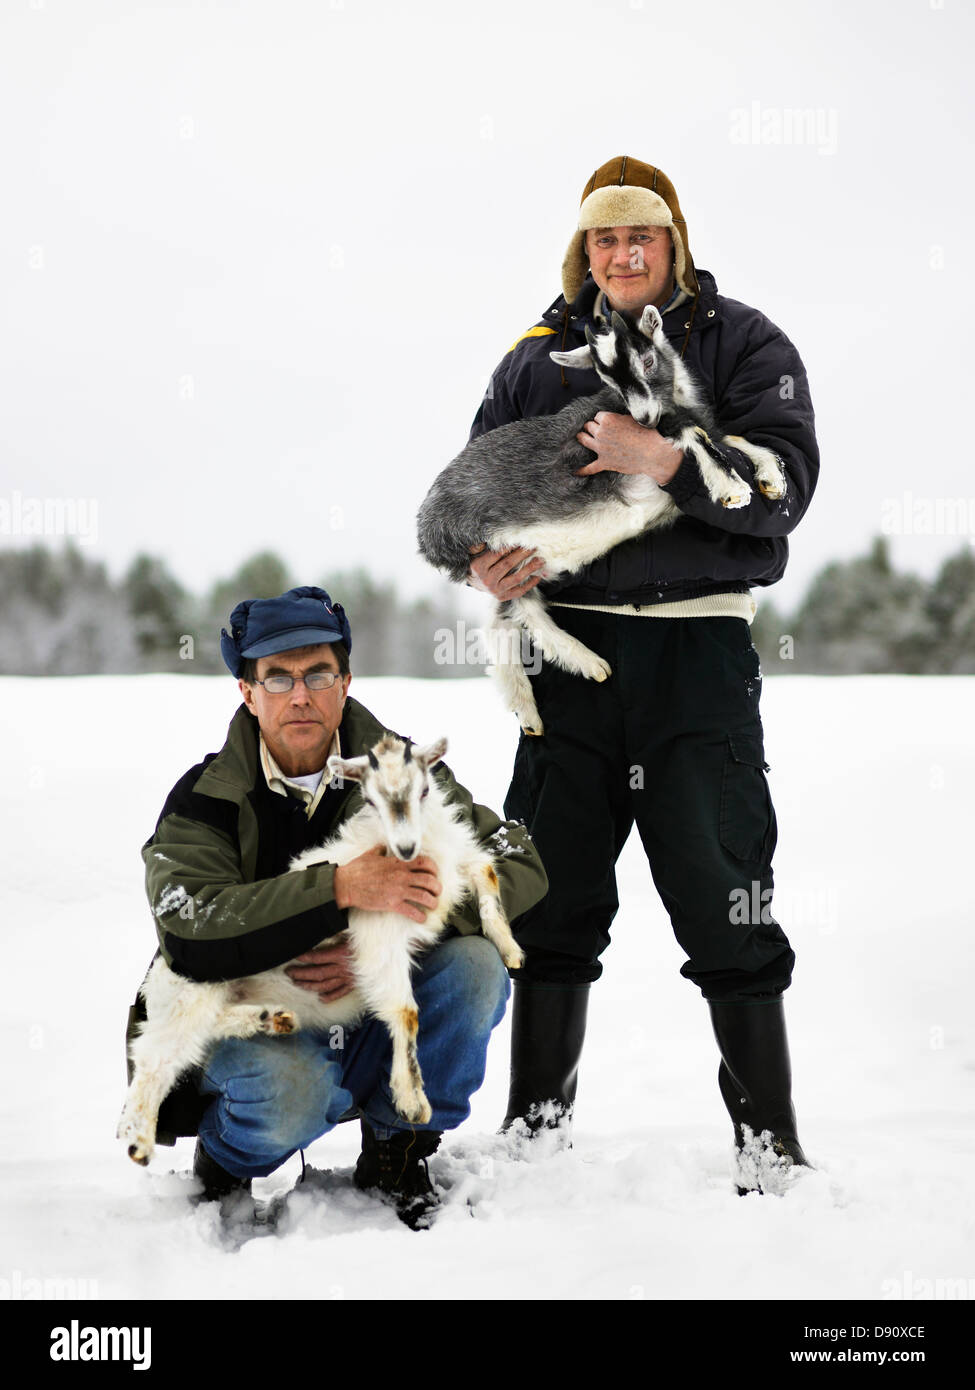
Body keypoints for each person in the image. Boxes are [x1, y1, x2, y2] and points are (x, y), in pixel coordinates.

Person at [466, 155, 820, 1193]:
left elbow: (781, 483)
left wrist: (659, 452)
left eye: (642, 237)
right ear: (583, 251)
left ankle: (771, 1149)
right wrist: (486, 557)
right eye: (604, 239)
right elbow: (475, 488)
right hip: (566, 653)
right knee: (547, 893)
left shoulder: (747, 343)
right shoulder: (535, 358)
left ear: (675, 245)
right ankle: (533, 1138)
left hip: (694, 652)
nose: (622, 255)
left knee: (725, 886)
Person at [125, 585, 547, 1226]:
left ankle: (397, 1149)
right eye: (277, 677)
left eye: (318, 672)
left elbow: (514, 861)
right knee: (287, 1093)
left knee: (474, 969)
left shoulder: (399, 770)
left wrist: (380, 945)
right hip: (258, 1015)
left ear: (345, 680)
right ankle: (229, 1155)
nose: (301, 695)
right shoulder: (204, 797)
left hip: (367, 1009)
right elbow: (191, 929)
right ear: (248, 691)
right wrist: (338, 891)